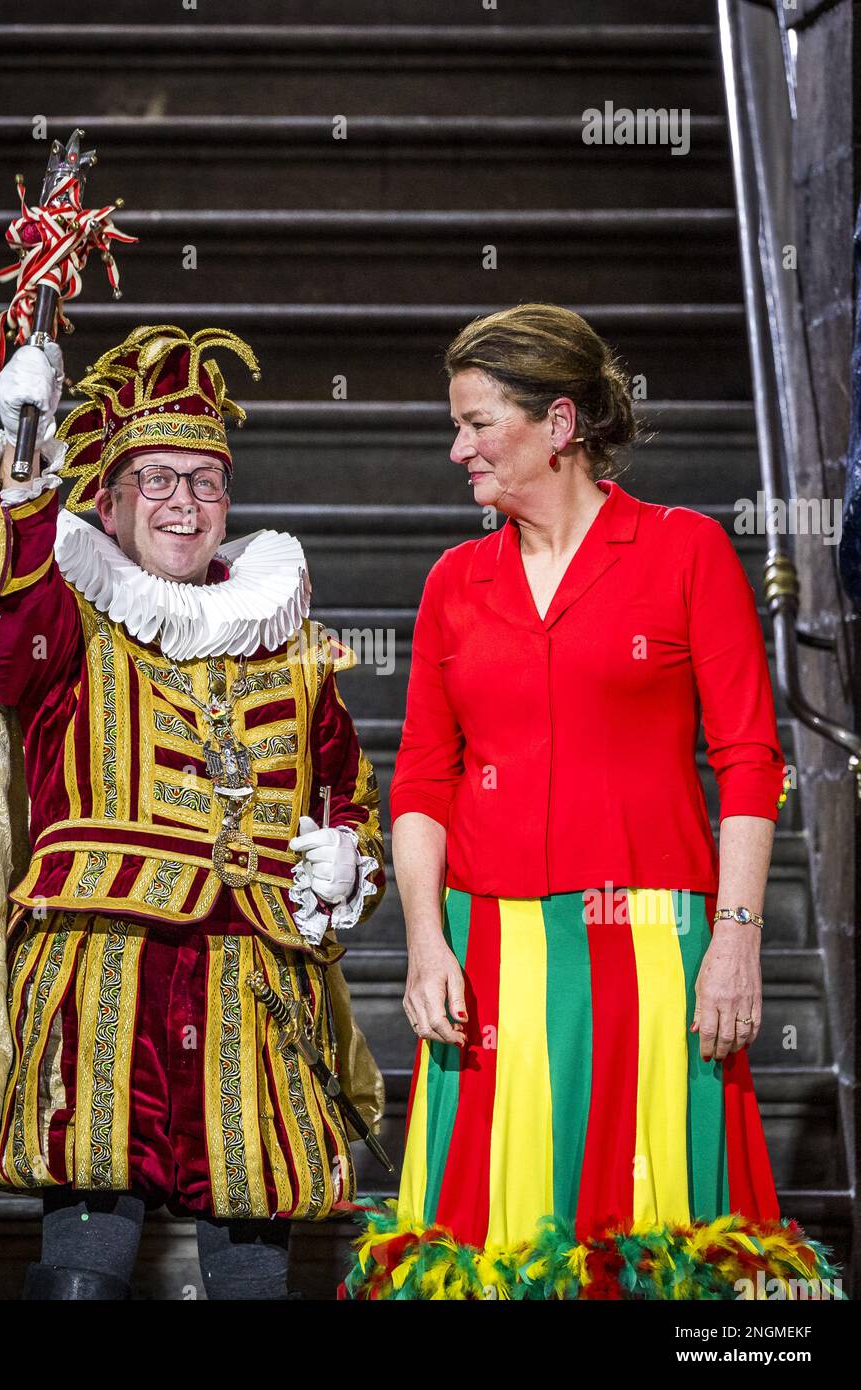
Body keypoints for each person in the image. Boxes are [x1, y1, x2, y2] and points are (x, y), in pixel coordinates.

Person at [0, 324, 386, 1300]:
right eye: (155, 479)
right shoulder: (68, 611)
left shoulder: (290, 636)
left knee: (252, 1269)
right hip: (99, 967)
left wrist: (343, 858)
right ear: (105, 502)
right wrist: (23, 458)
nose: (182, 503)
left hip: (253, 977)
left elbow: (342, 787)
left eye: (203, 481)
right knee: (86, 1258)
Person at [342, 303, 844, 1300]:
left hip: (651, 948)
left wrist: (735, 939)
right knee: (492, 1243)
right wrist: (423, 942)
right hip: (486, 955)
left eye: (478, 423)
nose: (457, 449)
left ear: (558, 424)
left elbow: (747, 759)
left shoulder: (683, 550)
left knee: (654, 1241)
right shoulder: (452, 580)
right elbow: (421, 780)